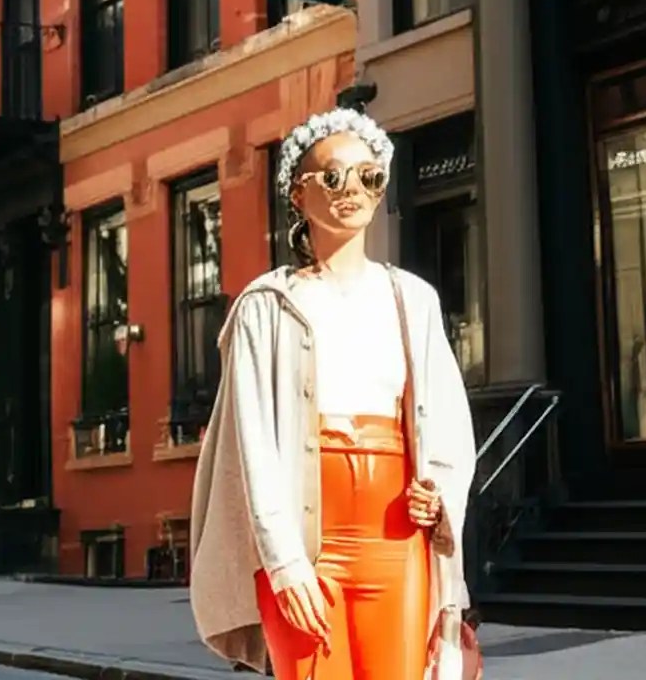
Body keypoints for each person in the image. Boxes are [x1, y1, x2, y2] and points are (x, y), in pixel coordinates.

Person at [189, 107, 477, 678]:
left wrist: (437, 493)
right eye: (332, 176)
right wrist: (284, 563)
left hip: (397, 541)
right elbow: (256, 451)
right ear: (297, 194)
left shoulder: (412, 300)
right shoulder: (264, 308)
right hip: (305, 544)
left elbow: (446, 421)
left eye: (369, 176)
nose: (353, 190)